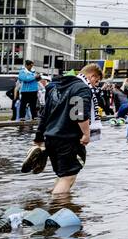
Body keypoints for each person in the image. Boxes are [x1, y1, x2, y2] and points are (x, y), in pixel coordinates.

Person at [31, 64, 100, 196]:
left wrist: (39, 138)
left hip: (50, 138)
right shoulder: (81, 88)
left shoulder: (55, 87)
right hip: (68, 139)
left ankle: (55, 203)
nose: (95, 85)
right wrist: (86, 134)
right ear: (92, 76)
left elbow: (45, 114)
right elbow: (78, 114)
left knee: (63, 175)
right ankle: (58, 207)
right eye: (96, 82)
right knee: (68, 176)